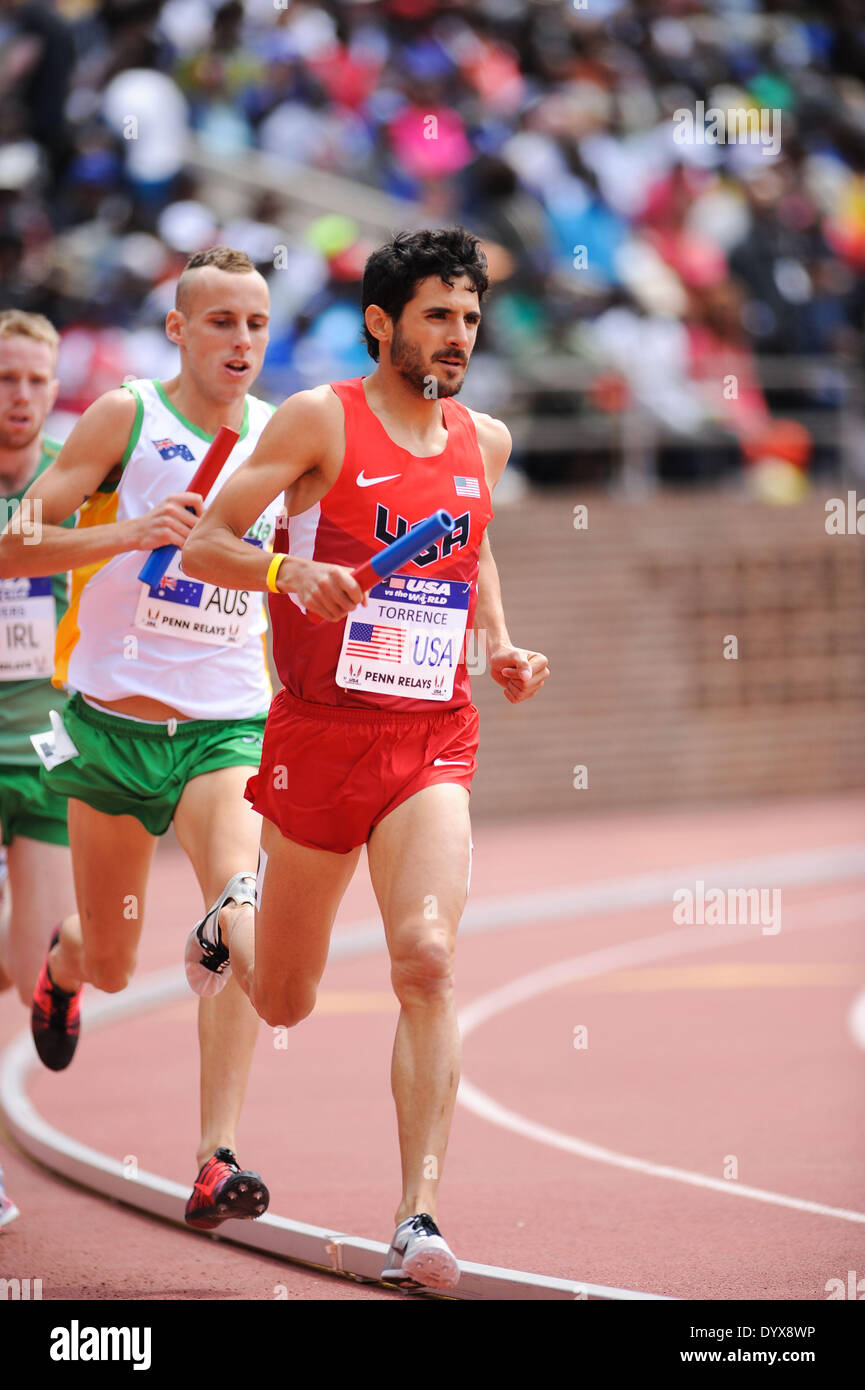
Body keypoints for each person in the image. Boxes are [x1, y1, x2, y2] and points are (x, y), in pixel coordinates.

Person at [181, 227, 550, 1288]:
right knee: (285, 998)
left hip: (430, 738)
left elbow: (467, 545)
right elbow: (206, 541)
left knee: (426, 957)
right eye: (438, 314)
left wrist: (496, 648)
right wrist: (284, 579)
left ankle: (417, 1217)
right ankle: (228, 921)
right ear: (382, 321)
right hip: (317, 737)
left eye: (471, 318)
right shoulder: (318, 420)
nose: (458, 336)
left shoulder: (485, 439)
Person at [0, 246, 282, 1230]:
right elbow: (13, 544)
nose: (240, 340)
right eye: (219, 322)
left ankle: (216, 1157)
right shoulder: (127, 417)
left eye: (255, 322)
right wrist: (127, 534)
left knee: (235, 913)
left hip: (225, 727)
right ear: (178, 329)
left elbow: (297, 569)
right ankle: (64, 969)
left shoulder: (285, 436)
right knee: (114, 959)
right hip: (110, 731)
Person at [0, 309, 76, 1229]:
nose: (19, 398)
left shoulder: (75, 476)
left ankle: (57, 987)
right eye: (3, 380)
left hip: (51, 748)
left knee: (36, 966)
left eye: (34, 382)